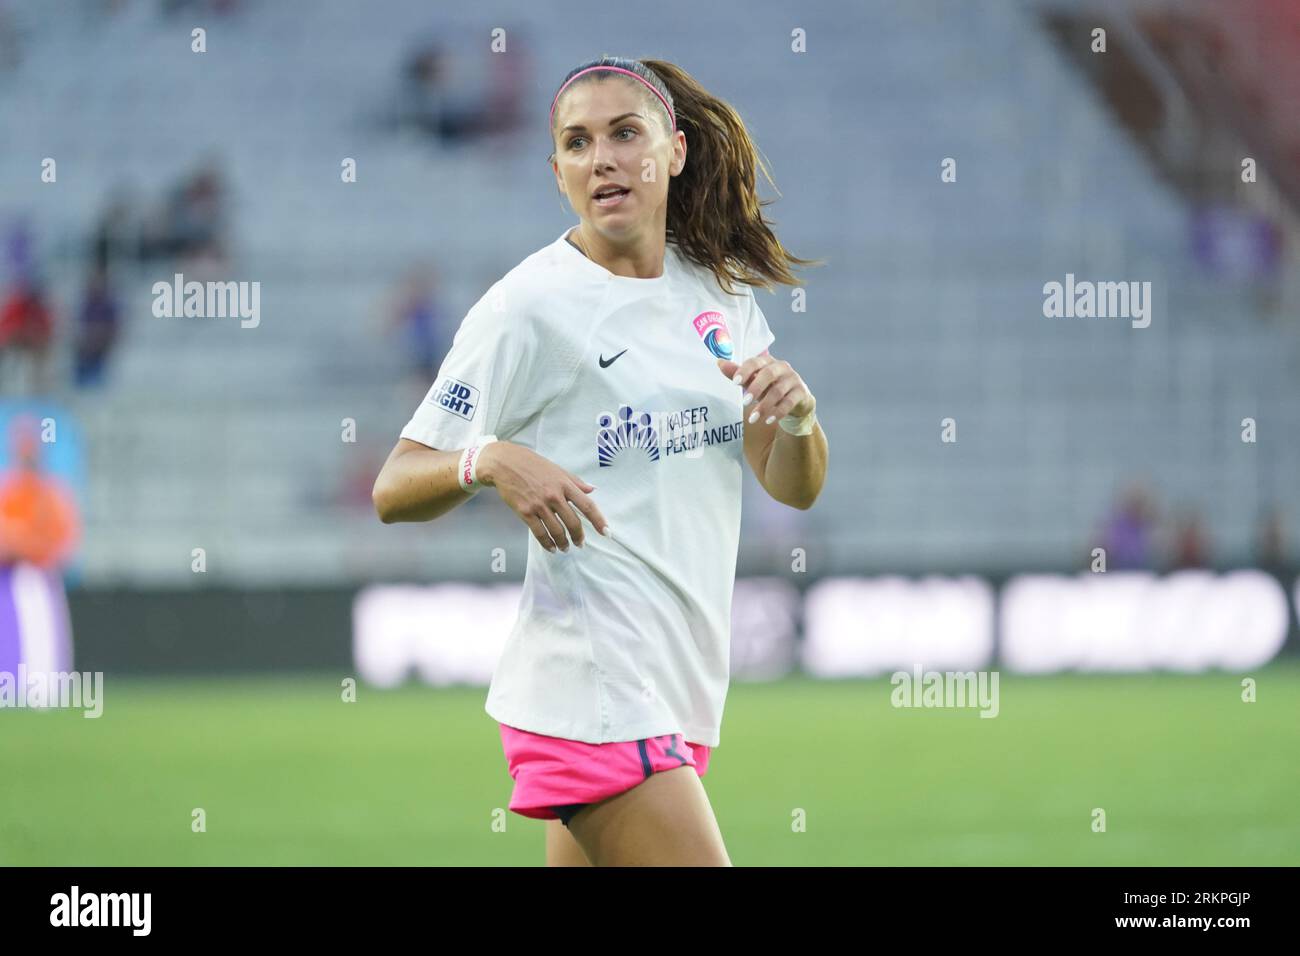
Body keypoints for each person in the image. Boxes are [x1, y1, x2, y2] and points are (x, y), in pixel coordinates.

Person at [373, 56, 828, 866]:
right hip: (593, 688)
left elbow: (792, 487)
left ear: (675, 151)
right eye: (578, 144)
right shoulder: (529, 307)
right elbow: (394, 486)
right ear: (558, 174)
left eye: (625, 133)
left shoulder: (716, 290)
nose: (603, 158)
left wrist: (799, 417)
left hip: (678, 685)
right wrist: (491, 458)